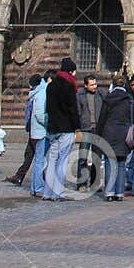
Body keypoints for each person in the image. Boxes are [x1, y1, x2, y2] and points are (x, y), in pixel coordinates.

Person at [41, 58, 81, 200]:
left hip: (53, 128)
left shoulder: (50, 86)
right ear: (71, 71)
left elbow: (48, 108)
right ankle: (58, 192)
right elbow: (72, 109)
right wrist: (77, 126)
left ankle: (47, 192)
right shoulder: (69, 86)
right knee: (63, 160)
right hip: (66, 128)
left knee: (52, 160)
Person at [96, 77, 134, 201]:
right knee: (122, 164)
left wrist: (99, 134)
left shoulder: (108, 98)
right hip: (123, 133)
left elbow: (102, 118)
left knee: (109, 162)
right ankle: (119, 193)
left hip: (109, 132)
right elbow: (132, 118)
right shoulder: (129, 99)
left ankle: (109, 192)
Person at [7, 74, 45, 187]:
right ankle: (20, 176)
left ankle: (38, 182)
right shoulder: (36, 93)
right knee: (30, 154)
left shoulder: (39, 94)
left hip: (38, 130)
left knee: (39, 157)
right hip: (33, 129)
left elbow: (38, 113)